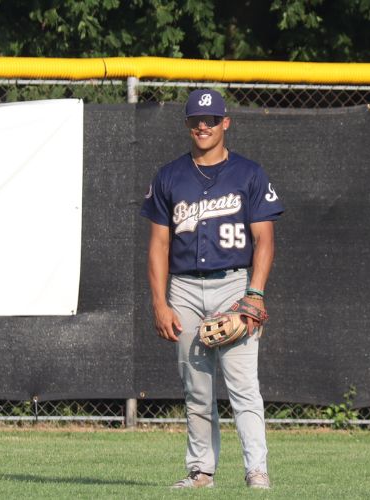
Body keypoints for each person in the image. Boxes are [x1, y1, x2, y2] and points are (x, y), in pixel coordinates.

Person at [140, 89, 285, 489]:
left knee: (243, 387)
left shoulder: (249, 173)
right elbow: (158, 246)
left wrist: (254, 293)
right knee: (197, 389)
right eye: (195, 120)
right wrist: (160, 302)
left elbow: (265, 239)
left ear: (226, 123)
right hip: (184, 288)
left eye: (211, 119)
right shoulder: (169, 176)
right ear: (187, 124)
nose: (203, 126)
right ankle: (201, 470)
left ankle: (257, 470)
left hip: (234, 284)